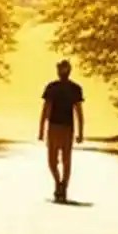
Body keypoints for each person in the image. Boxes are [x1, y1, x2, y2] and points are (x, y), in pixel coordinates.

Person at [38, 59, 84, 202]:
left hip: (61, 127)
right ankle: (60, 183)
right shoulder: (57, 88)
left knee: (60, 160)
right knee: (58, 160)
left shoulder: (69, 88)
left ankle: (61, 185)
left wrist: (80, 132)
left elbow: (78, 112)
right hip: (60, 127)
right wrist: (41, 129)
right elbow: (47, 109)